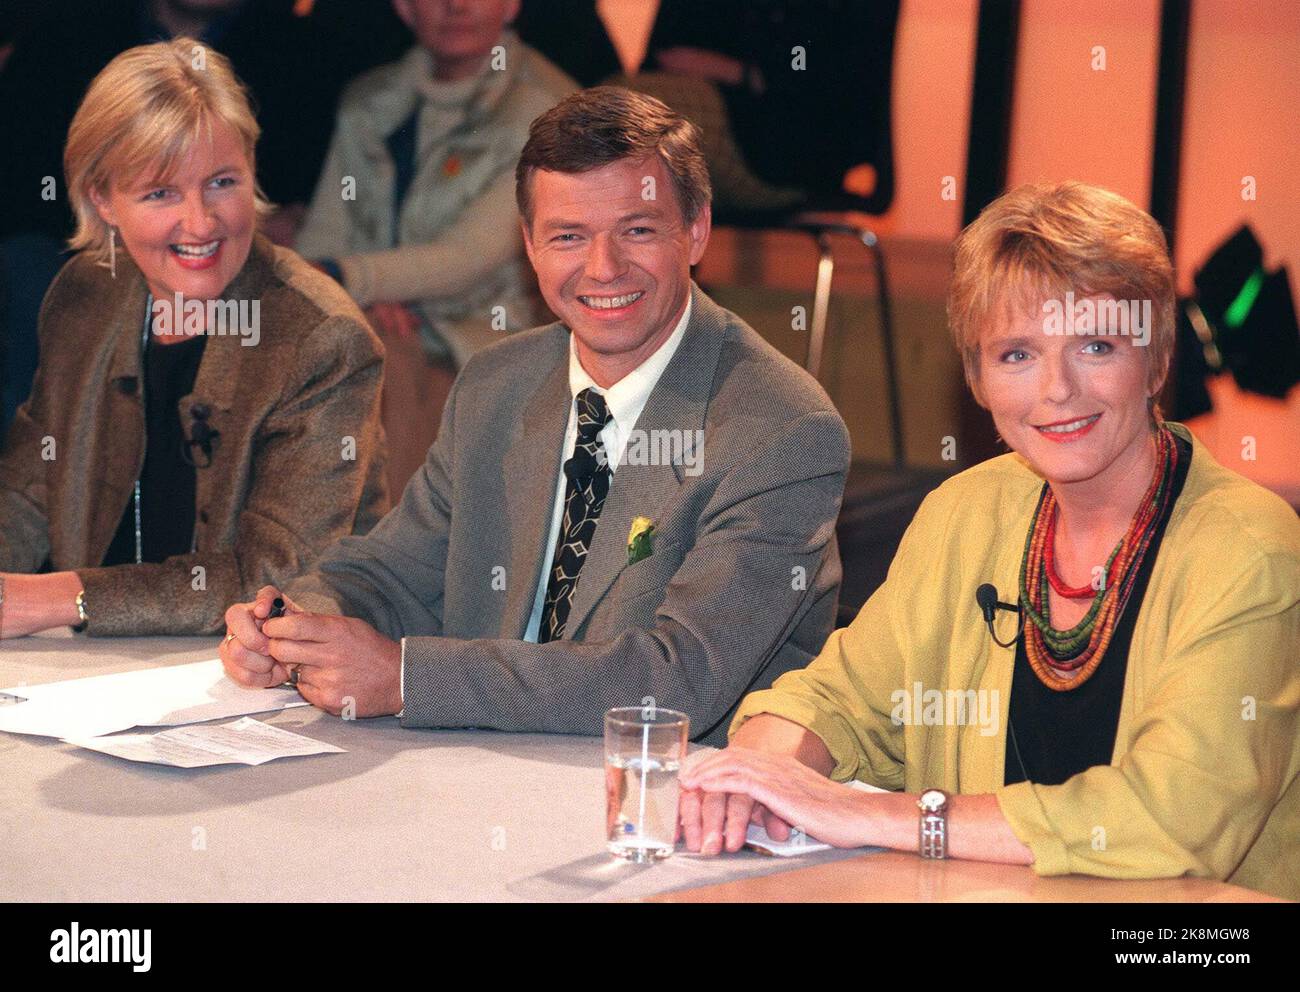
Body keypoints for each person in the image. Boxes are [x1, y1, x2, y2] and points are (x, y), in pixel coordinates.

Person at [679, 182, 1300, 901]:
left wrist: (878, 815)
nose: (1057, 390)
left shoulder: (1250, 550)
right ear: (975, 377)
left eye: (1096, 345)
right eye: (1016, 355)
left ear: (1157, 359)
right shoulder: (969, 512)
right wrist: (753, 777)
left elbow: (1171, 820)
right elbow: (839, 700)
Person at [220, 87, 851, 747]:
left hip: (660, 802)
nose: (603, 269)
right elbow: (394, 573)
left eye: (637, 230)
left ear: (695, 231)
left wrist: (408, 679)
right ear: (529, 244)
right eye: (568, 237)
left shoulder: (783, 430)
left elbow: (676, 679)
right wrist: (293, 625)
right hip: (472, 771)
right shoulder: (497, 383)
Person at [0, 39, 388, 638]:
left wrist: (70, 595)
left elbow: (274, 576)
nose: (201, 223)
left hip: (251, 682)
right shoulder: (86, 293)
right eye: (161, 193)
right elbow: (28, 493)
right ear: (103, 198)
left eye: (221, 183)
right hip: (86, 670)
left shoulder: (321, 338)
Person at [295, 0, 576, 494]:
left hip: (490, 337)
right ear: (403, 8)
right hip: (377, 323)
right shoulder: (369, 100)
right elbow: (325, 232)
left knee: (381, 369)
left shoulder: (549, 109)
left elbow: (473, 256)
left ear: (512, 4)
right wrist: (358, 294)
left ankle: (376, 559)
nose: (455, 5)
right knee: (345, 352)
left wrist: (348, 279)